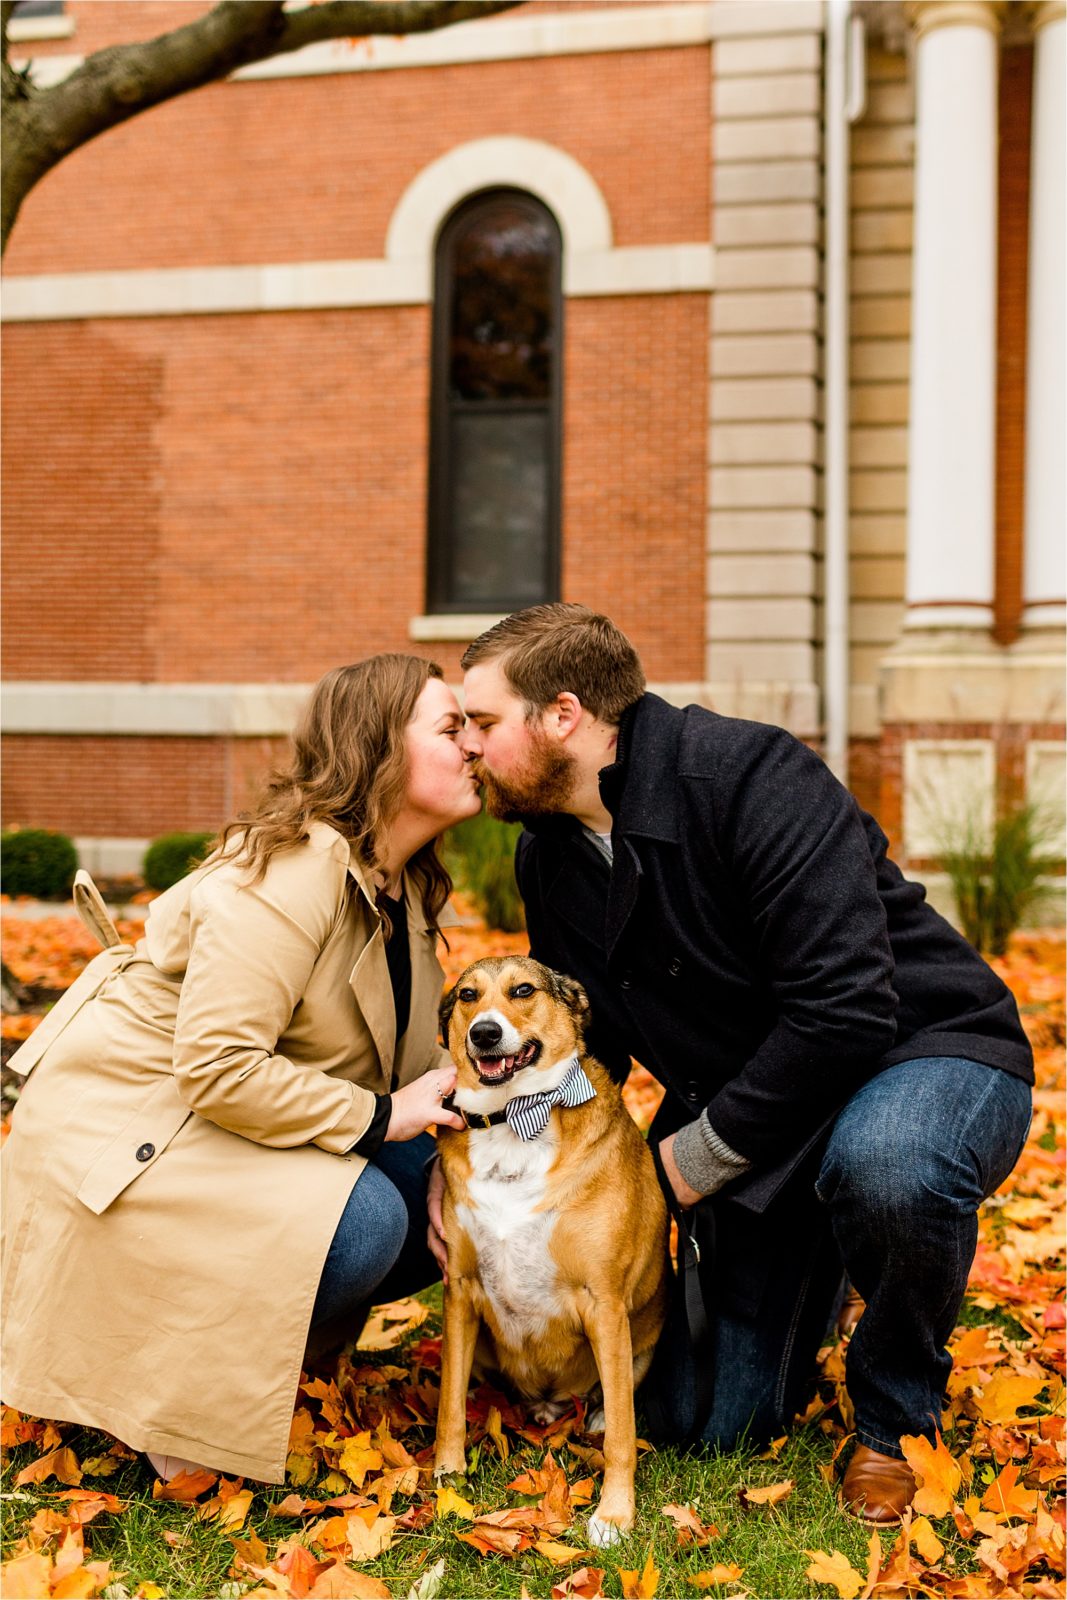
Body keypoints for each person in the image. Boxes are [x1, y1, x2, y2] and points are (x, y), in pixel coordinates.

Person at [426, 604, 1033, 1525]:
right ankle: (827, 1253)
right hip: (758, 1101)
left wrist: (684, 1162)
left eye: (481, 721)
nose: (467, 744)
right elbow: (583, 1041)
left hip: (920, 1054)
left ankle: (894, 1419)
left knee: (887, 1164)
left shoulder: (751, 776)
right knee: (702, 1423)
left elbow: (846, 1012)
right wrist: (484, 1148)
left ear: (562, 716)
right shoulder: (547, 854)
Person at [1, 656, 473, 1484]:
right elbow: (218, 1067)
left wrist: (450, 1149)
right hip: (146, 1134)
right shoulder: (294, 870)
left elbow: (402, 1056)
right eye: (450, 727)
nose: (474, 745)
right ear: (378, 750)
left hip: (228, 1123)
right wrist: (378, 1118)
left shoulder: (403, 885)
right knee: (368, 1220)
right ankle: (171, 1398)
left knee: (444, 1182)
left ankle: (266, 1366)